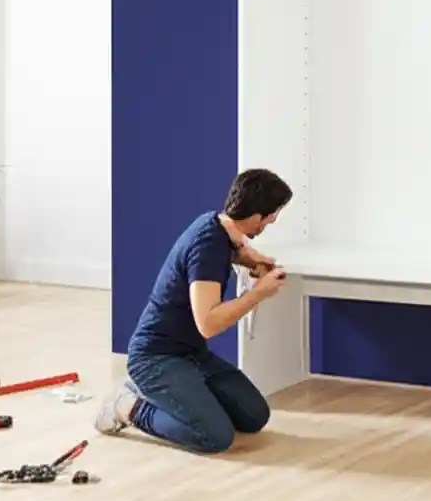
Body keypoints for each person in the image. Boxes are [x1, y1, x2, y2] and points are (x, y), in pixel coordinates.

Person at [94, 168, 292, 453]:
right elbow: (208, 324)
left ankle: (177, 394)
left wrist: (249, 258)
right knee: (215, 437)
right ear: (256, 216)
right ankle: (128, 407)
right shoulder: (208, 246)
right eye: (272, 214)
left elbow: (225, 250)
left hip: (189, 355)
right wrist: (257, 293)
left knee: (254, 415)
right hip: (155, 358)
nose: (273, 220)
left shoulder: (215, 225)